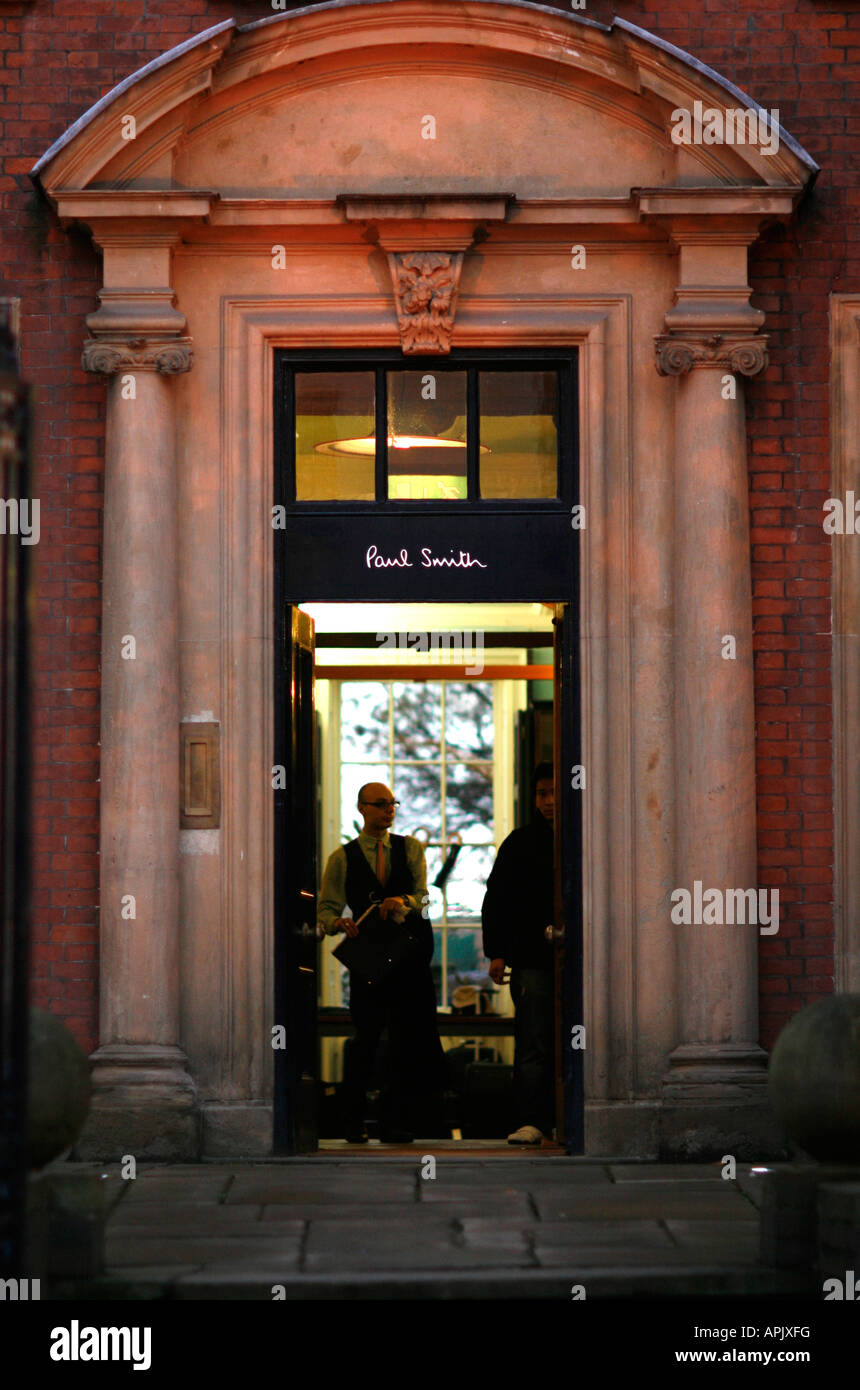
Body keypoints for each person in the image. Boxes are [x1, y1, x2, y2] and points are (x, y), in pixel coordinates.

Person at [317, 782, 446, 1143]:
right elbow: (326, 907)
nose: (389, 810)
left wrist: (401, 900)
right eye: (380, 804)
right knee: (366, 1039)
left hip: (408, 957)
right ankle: (352, 1120)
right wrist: (336, 923)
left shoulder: (411, 849)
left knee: (406, 1040)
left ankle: (395, 1121)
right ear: (361, 808)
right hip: (369, 958)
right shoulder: (342, 858)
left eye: (392, 804)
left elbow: (423, 899)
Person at [481, 762, 555, 1145]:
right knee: (533, 1039)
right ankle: (532, 1119)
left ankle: (562, 1118)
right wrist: (497, 952)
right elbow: (497, 899)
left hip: (567, 956)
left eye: (556, 792)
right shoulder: (521, 842)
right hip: (530, 955)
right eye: (542, 793)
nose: (548, 801)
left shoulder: (585, 837)